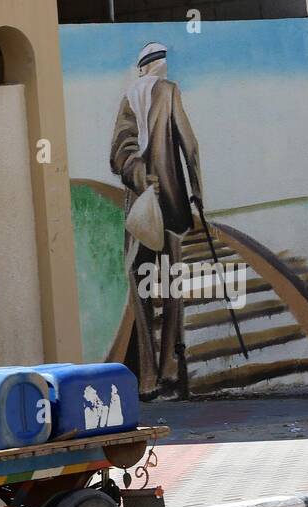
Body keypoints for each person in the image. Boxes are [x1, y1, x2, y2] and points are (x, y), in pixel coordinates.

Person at [110, 41, 205, 399]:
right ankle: (169, 367)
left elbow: (118, 153)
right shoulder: (169, 92)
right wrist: (197, 191)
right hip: (173, 205)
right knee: (173, 285)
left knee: (140, 287)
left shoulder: (127, 100)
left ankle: (148, 377)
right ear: (161, 66)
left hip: (140, 207)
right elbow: (190, 146)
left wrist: (139, 176)